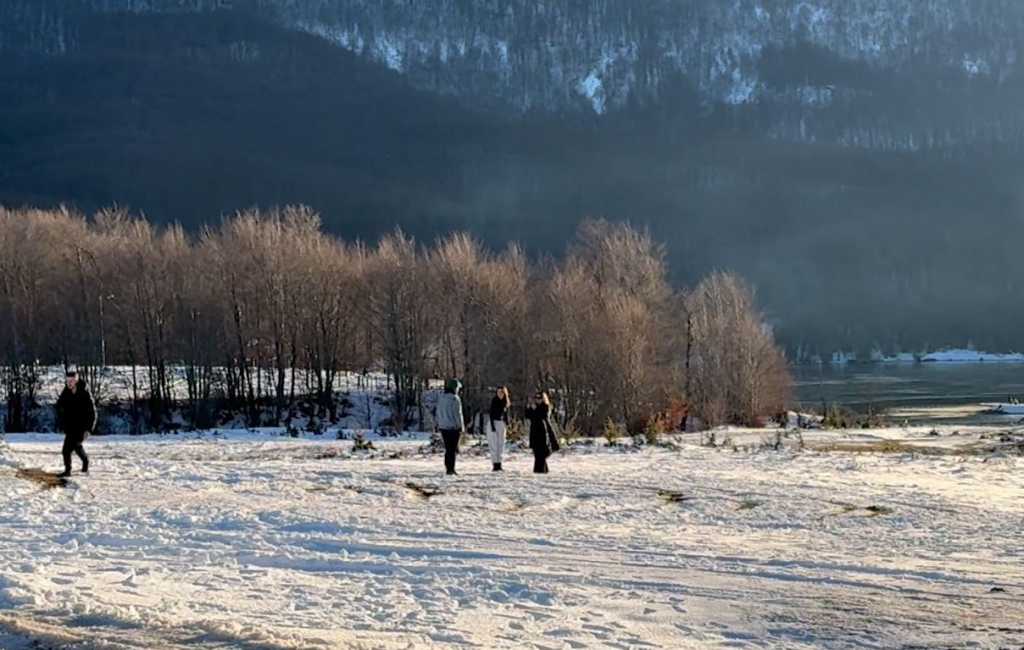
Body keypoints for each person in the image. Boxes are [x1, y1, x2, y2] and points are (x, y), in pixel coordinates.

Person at [55, 370, 96, 477]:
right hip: (70, 426)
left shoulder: (85, 392)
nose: (69, 383)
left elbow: (93, 412)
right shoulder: (66, 391)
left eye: (72, 381)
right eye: (67, 380)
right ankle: (85, 461)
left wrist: (89, 429)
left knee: (66, 450)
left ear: (76, 380)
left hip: (82, 426)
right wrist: (61, 414)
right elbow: (59, 405)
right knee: (77, 446)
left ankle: (68, 471)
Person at [435, 379, 465, 476]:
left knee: (448, 448)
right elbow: (458, 414)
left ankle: (448, 467)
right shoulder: (455, 399)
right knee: (452, 449)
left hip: (443, 427)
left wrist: (439, 423)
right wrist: (461, 426)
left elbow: (438, 412)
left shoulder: (441, 398)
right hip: (453, 427)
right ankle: (451, 469)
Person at [525, 391, 558, 474]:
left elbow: (541, 416)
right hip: (534, 432)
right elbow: (528, 415)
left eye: (540, 398)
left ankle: (540, 470)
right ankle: (541, 470)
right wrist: (529, 407)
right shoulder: (534, 407)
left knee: (541, 454)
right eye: (536, 398)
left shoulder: (545, 407)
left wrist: (534, 410)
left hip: (543, 433)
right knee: (537, 454)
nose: (538, 400)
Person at [488, 386, 511, 472]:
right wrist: (492, 426)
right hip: (494, 422)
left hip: (501, 423)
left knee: (501, 444)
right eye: (498, 392)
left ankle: (499, 463)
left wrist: (507, 423)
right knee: (494, 444)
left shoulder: (506, 402)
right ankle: (495, 464)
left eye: (501, 392)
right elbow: (491, 414)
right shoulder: (494, 401)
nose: (500, 394)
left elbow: (506, 415)